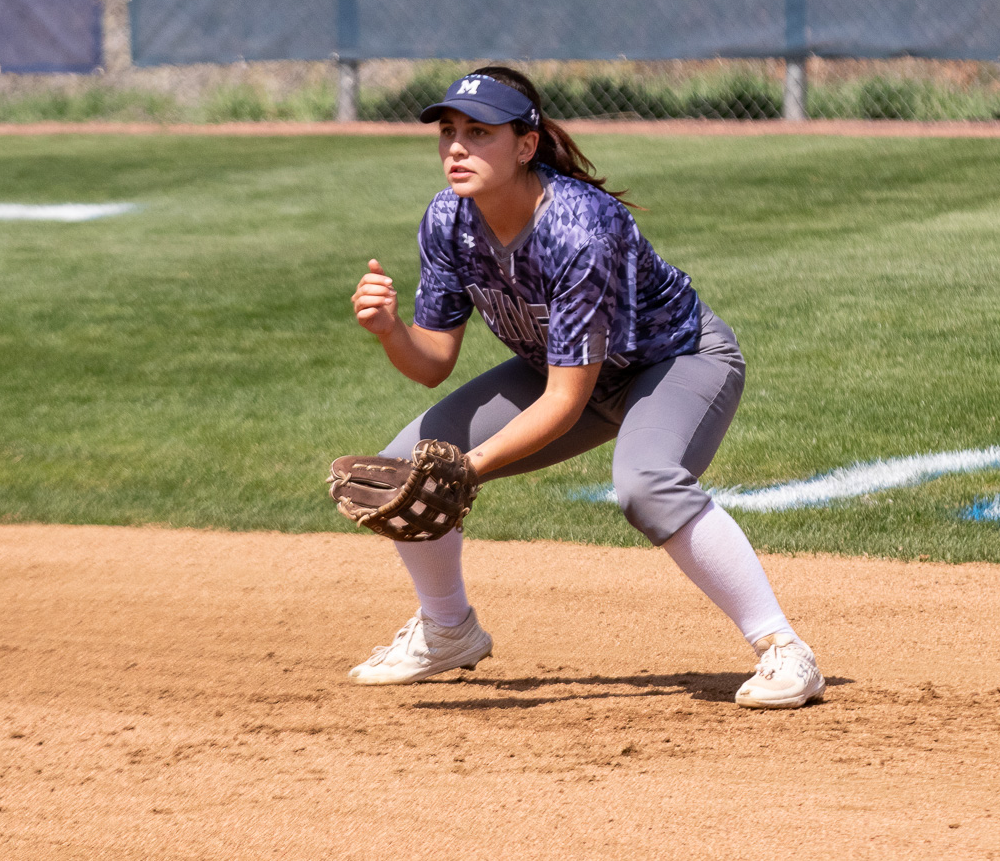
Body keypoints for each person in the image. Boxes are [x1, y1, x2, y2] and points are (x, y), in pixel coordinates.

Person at [346, 67, 824, 709]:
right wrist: (389, 330)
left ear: (525, 145)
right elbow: (433, 362)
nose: (456, 148)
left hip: (675, 361)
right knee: (406, 464)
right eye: (449, 132)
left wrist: (470, 467)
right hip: (564, 370)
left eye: (479, 132)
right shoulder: (448, 221)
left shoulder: (578, 227)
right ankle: (447, 630)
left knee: (646, 483)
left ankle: (784, 648)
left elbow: (566, 404)